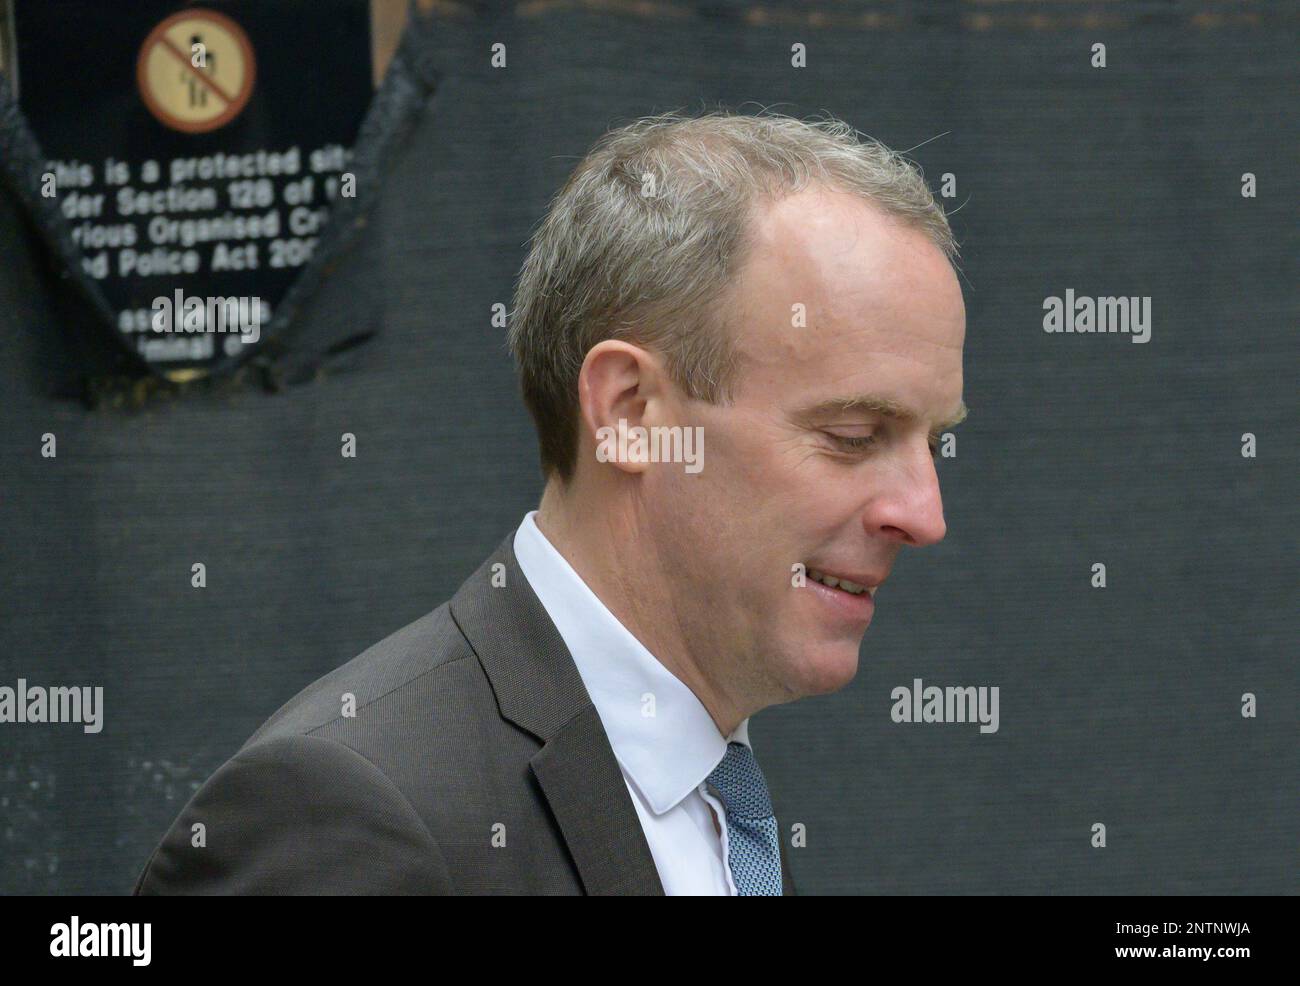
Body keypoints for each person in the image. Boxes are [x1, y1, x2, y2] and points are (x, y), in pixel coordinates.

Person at [135, 109, 967, 895]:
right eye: (856, 434)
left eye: (932, 442)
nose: (924, 515)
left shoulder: (713, 796)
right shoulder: (346, 814)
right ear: (631, 412)